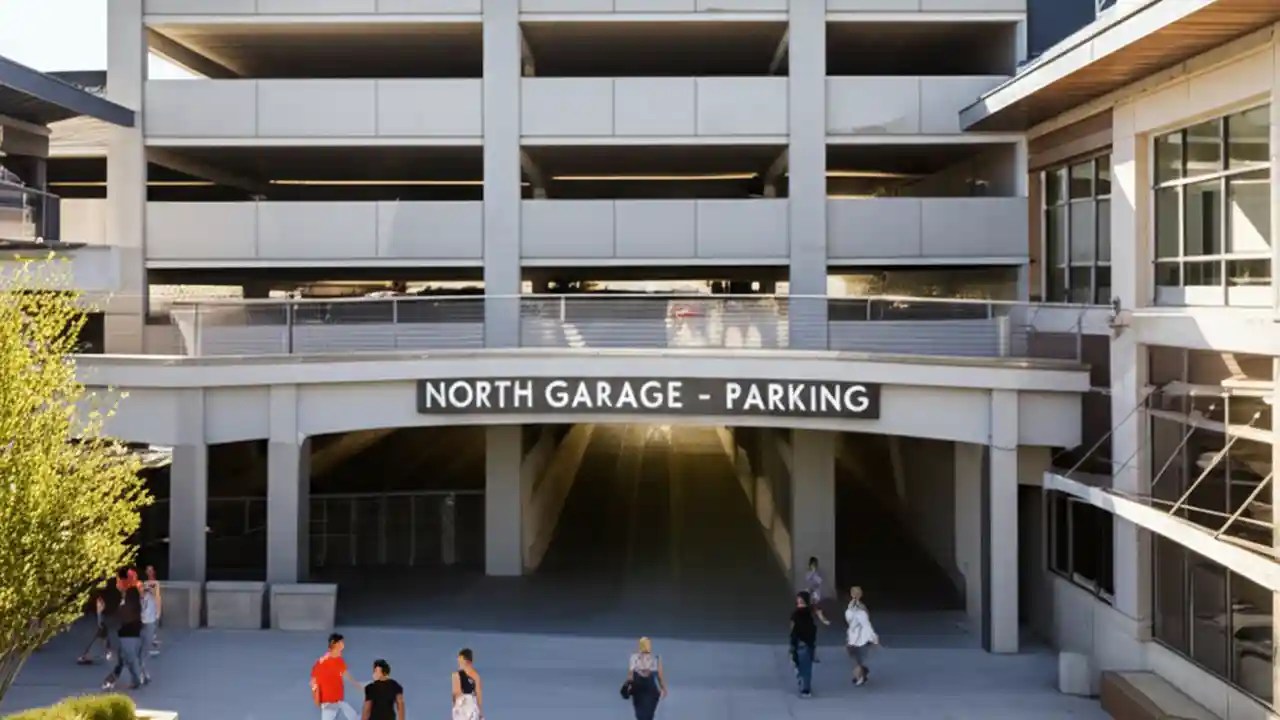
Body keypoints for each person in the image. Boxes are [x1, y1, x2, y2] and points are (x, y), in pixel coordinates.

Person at [311, 633, 364, 720]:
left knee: (349, 711)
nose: (343, 645)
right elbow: (314, 680)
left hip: (335, 698)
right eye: (341, 642)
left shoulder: (336, 659)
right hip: (329, 699)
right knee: (348, 712)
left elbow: (344, 673)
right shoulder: (327, 661)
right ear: (334, 643)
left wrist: (357, 685)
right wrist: (316, 695)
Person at [103, 586, 145, 690]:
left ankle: (134, 680)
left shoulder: (126, 607)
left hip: (126, 636)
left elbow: (118, 617)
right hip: (135, 635)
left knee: (126, 660)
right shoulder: (137, 606)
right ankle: (113, 679)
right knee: (126, 660)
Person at [845, 586, 879, 686]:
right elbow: (865, 624)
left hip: (859, 638)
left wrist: (873, 637)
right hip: (855, 637)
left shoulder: (857, 610)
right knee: (856, 659)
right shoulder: (854, 608)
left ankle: (860, 676)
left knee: (857, 660)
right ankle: (862, 673)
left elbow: (865, 625)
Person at [625, 637, 666, 720]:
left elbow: (630, 675)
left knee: (639, 714)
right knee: (649, 714)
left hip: (638, 688)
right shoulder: (656, 658)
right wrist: (663, 688)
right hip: (651, 689)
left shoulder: (634, 657)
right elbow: (660, 676)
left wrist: (628, 687)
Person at [803, 557, 832, 659]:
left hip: (816, 597)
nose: (815, 566)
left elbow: (819, 583)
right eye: (813, 564)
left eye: (816, 564)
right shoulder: (809, 574)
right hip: (812, 598)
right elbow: (811, 584)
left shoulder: (818, 574)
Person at [790, 591, 817, 698]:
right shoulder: (803, 613)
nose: (799, 604)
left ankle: (805, 688)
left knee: (805, 667)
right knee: (804, 667)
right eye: (798, 601)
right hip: (803, 642)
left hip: (805, 643)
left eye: (801, 601)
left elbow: (792, 628)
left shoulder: (804, 613)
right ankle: (805, 686)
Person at [451, 648, 483, 720]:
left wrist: (454, 707)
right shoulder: (476, 676)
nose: (458, 661)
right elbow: (478, 695)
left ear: (464, 660)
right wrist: (480, 713)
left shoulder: (456, 675)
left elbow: (456, 693)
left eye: (459, 659)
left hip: (461, 707)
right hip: (473, 708)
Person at [139, 582, 159, 679]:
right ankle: (141, 672)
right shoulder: (136, 599)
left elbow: (156, 586)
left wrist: (148, 584)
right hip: (140, 624)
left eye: (141, 587)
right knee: (139, 649)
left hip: (149, 623)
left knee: (145, 649)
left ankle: (143, 671)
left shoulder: (150, 596)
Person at [144, 566, 163, 655]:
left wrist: (158, 610)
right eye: (148, 570)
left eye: (151, 570)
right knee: (148, 628)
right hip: (146, 607)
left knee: (153, 628)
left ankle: (153, 646)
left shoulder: (156, 583)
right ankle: (149, 646)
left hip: (153, 607)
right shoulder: (145, 583)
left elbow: (158, 596)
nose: (149, 572)